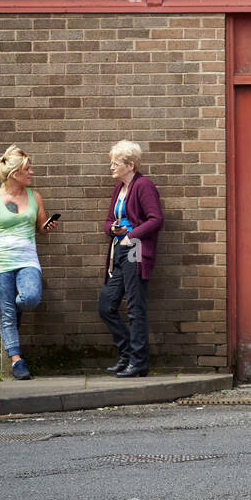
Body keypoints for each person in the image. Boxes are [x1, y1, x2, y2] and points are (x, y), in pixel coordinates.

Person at [0, 146, 60, 380]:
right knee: (7, 314)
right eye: (27, 169)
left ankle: (12, 310)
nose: (31, 172)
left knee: (30, 298)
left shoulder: (34, 197)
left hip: (27, 260)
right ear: (15, 173)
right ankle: (17, 361)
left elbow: (41, 229)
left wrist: (47, 227)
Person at [99, 141, 164, 377]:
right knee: (106, 306)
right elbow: (108, 220)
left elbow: (155, 219)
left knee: (136, 308)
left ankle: (138, 363)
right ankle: (127, 356)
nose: (111, 167)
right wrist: (113, 229)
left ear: (130, 165)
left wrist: (131, 235)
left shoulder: (143, 185)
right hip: (118, 251)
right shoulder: (119, 188)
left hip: (135, 250)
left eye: (115, 163)